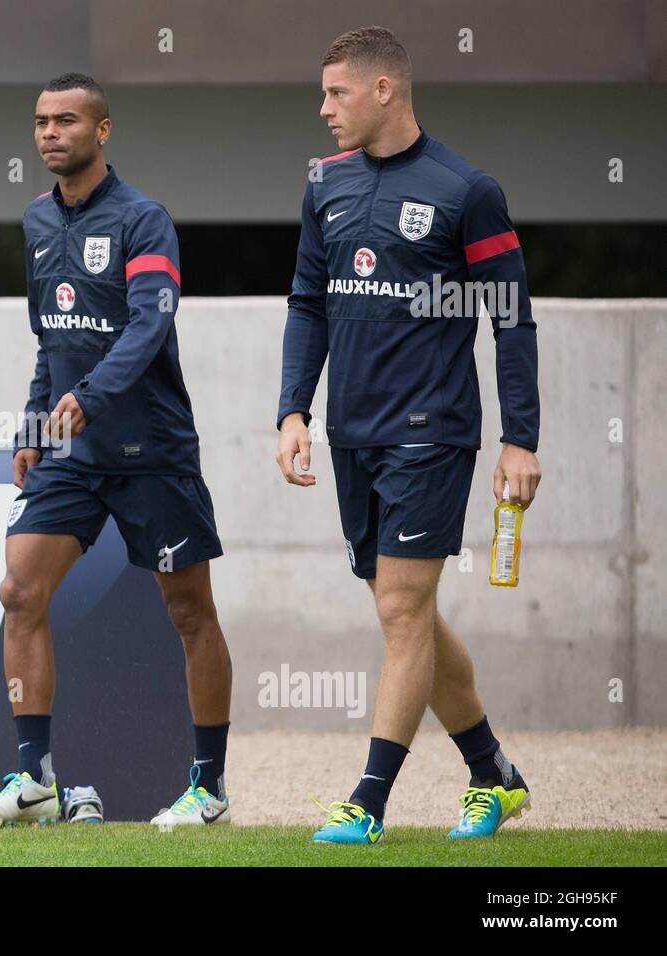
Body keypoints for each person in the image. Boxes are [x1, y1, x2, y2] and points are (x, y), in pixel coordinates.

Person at [275, 26, 541, 844]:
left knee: (399, 608)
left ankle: (367, 801)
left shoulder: (468, 190)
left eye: (337, 93)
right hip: (353, 433)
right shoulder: (327, 186)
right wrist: (293, 412)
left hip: (433, 431)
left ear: (384, 89)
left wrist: (520, 437)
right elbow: (307, 303)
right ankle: (493, 774)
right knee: (409, 615)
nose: (324, 109)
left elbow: (511, 320)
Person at [0, 73, 233, 829]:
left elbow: (148, 326)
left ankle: (209, 788)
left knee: (190, 612)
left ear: (103, 130)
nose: (50, 133)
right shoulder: (34, 221)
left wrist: (86, 399)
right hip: (69, 452)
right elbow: (49, 343)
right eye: (41, 122)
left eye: (66, 120)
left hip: (152, 450)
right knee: (20, 591)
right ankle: (35, 781)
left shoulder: (144, 221)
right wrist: (34, 423)